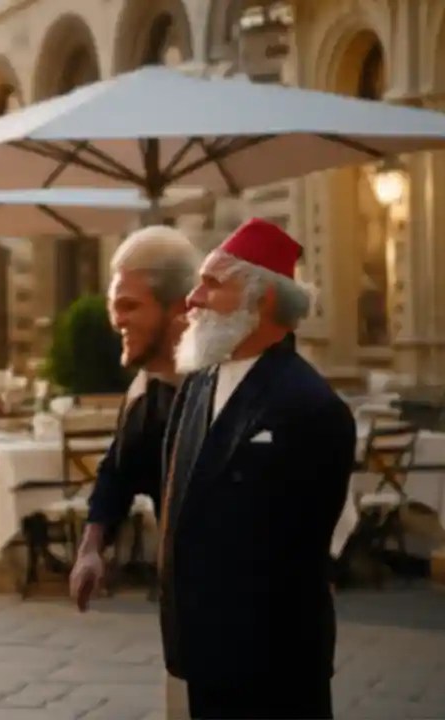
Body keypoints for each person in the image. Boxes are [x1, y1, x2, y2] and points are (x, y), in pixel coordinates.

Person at [159, 218, 356, 719]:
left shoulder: (311, 405)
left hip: (273, 660)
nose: (192, 300)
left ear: (263, 299)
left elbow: (307, 546)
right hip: (202, 647)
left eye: (212, 284)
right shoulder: (198, 384)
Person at [69, 225, 199, 606]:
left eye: (129, 305)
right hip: (183, 599)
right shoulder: (146, 388)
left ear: (180, 308)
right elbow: (118, 470)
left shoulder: (224, 392)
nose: (116, 320)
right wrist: (92, 547)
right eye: (115, 305)